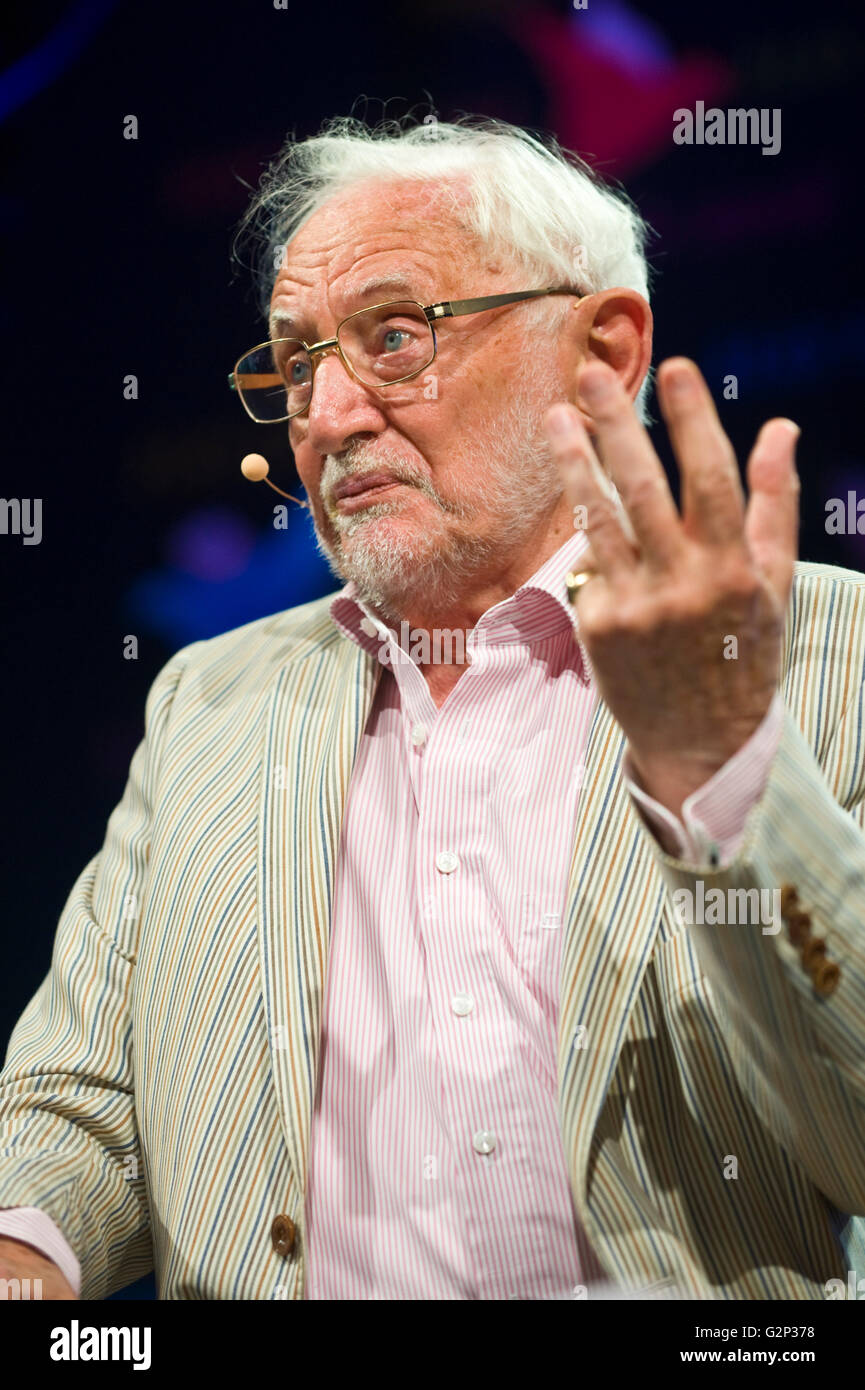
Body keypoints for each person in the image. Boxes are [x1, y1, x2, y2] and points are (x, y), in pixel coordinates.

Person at [1, 115, 864, 1301]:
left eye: (396, 338)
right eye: (299, 363)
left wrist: (723, 770)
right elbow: (80, 1103)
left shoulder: (830, 652)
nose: (331, 417)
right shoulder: (209, 698)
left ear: (600, 355)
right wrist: (23, 1254)